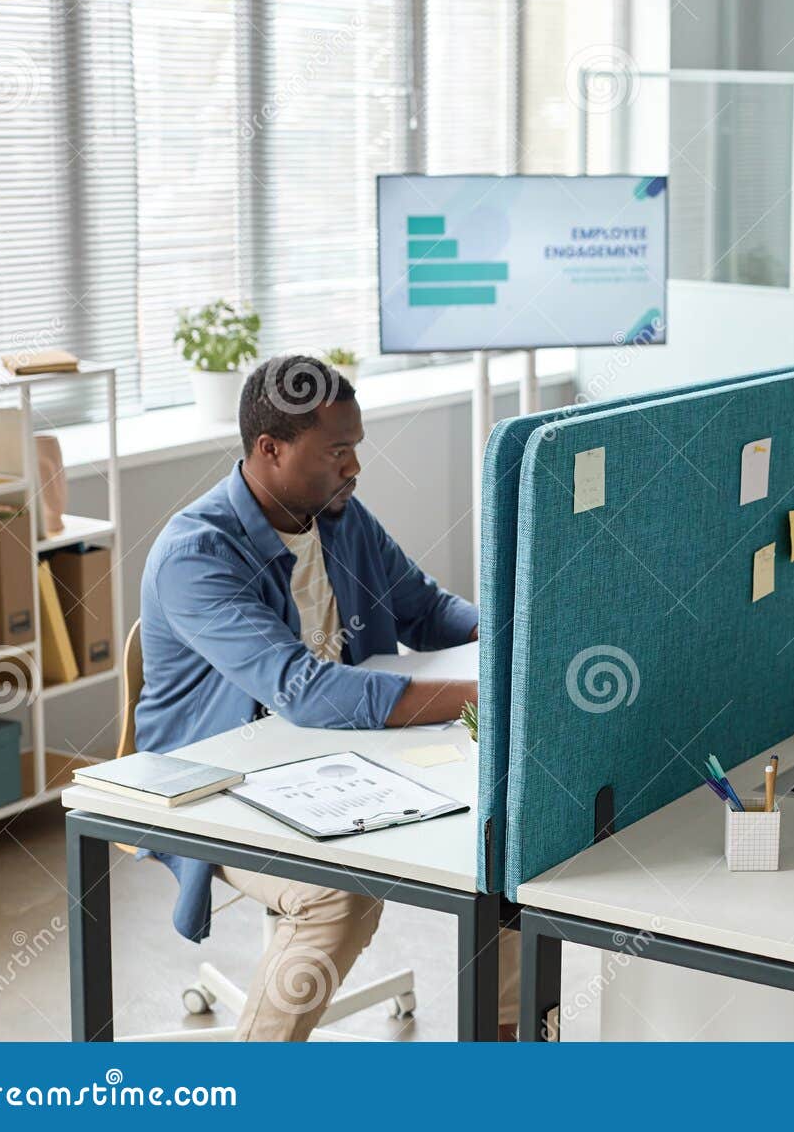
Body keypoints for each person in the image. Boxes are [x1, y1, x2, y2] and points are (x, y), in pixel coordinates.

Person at [136, 354, 518, 1041]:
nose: (354, 466)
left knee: (506, 841)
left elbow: (427, 609)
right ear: (270, 449)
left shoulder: (338, 517)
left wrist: (516, 638)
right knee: (336, 893)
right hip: (215, 784)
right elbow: (304, 691)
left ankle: (510, 1045)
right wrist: (483, 695)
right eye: (337, 451)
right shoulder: (197, 554)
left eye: (355, 447)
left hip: (338, 759)